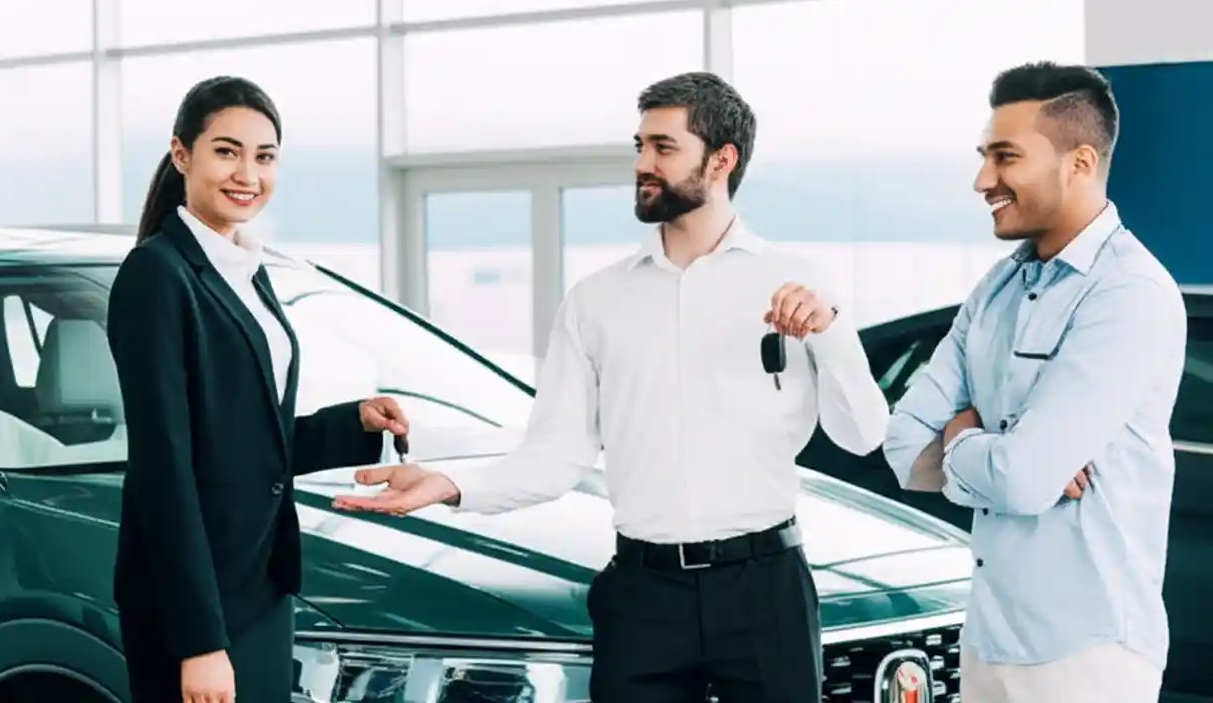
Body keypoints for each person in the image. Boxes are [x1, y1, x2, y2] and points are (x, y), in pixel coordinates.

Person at [332, 71, 890, 702]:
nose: (642, 164)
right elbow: (554, 459)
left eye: (663, 147)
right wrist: (451, 485)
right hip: (643, 597)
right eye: (639, 146)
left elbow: (862, 433)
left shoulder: (799, 282)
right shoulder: (596, 301)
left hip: (764, 590)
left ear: (722, 160)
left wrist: (831, 332)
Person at [882, 62, 1185, 702]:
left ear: (1078, 162)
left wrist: (966, 437)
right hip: (988, 640)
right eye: (984, 157)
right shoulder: (993, 290)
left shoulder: (1128, 293)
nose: (982, 180)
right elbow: (904, 448)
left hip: (1087, 655)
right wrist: (1007, 451)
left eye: (1005, 157)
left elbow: (1021, 478)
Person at [106, 75, 409, 703]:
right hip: (197, 600)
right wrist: (198, 641)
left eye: (264, 156)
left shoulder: (248, 270)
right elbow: (166, 467)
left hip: (259, 584)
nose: (248, 173)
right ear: (181, 153)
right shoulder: (157, 275)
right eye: (226, 150)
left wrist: (351, 424)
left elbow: (242, 445)